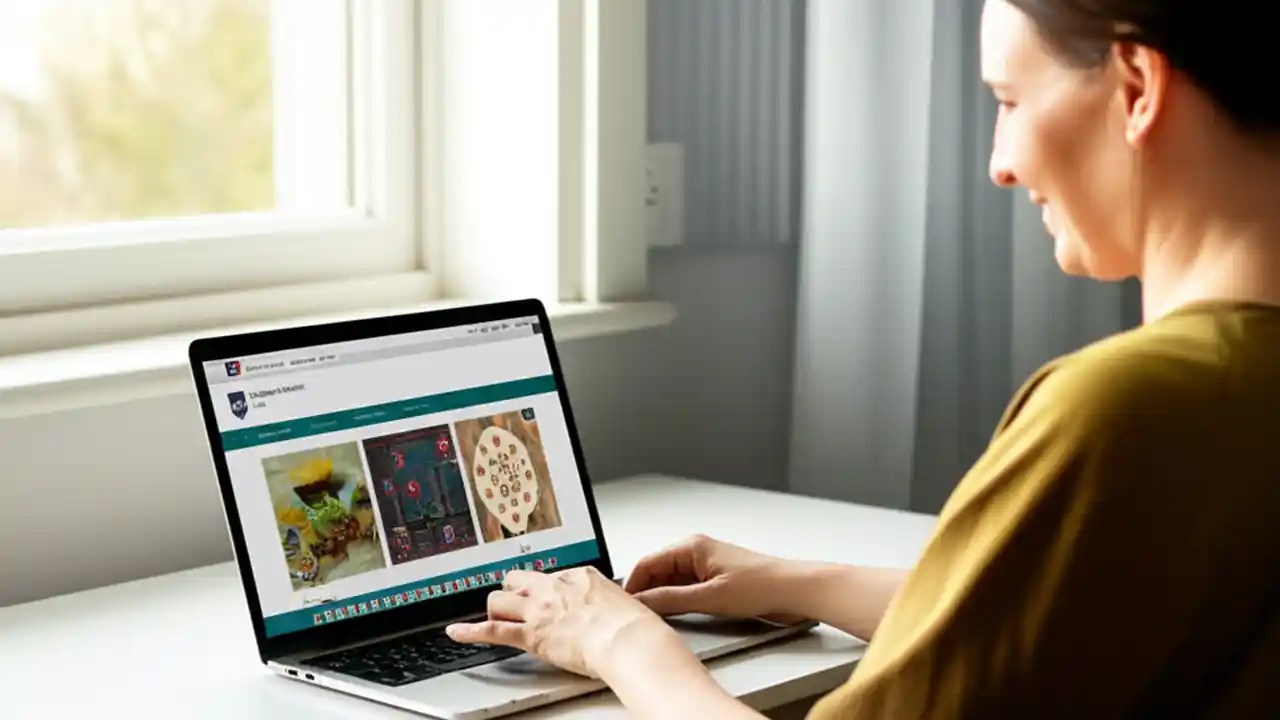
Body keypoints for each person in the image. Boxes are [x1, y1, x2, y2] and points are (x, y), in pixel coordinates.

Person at [447, 0, 1280, 716]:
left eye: (1011, 100)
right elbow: (1082, 612)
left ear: (1136, 88)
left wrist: (617, 637)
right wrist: (796, 580)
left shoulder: (1124, 410)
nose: (1000, 162)